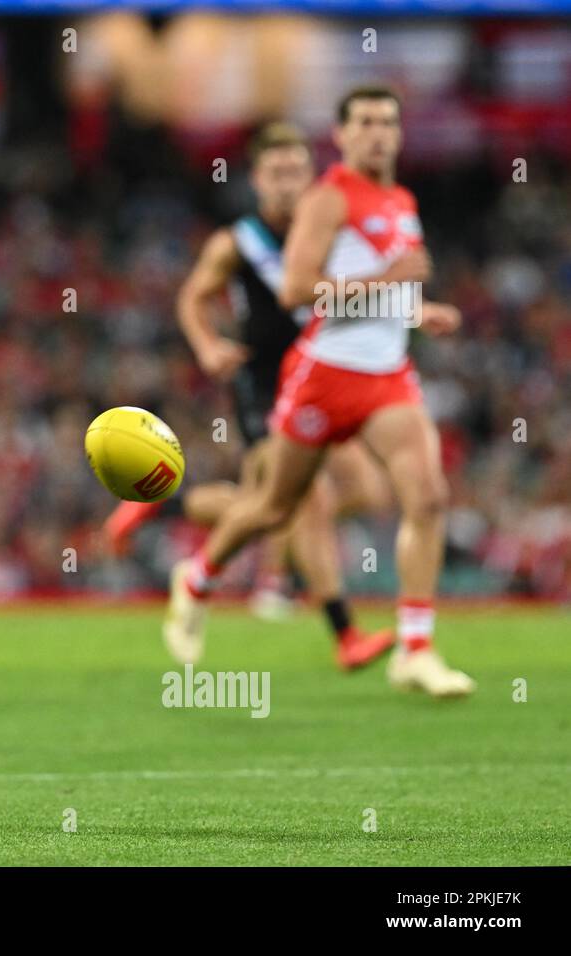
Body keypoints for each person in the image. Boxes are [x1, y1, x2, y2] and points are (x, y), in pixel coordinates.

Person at [164, 85, 474, 698]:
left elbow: (384, 289)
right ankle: (197, 579)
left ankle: (415, 647)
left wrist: (418, 310)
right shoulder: (330, 198)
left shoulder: (400, 199)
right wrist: (389, 279)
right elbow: (297, 291)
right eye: (365, 122)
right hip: (323, 376)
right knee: (276, 507)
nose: (379, 133)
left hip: (387, 375)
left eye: (389, 121)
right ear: (344, 134)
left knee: (427, 498)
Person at [157, 122, 393, 669]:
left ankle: (171, 513)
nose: (287, 183)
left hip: (324, 378)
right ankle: (340, 630)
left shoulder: (328, 235)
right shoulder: (238, 242)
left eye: (296, 171)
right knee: (302, 501)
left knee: (356, 491)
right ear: (257, 178)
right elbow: (193, 299)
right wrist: (208, 345)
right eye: (276, 172)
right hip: (263, 389)